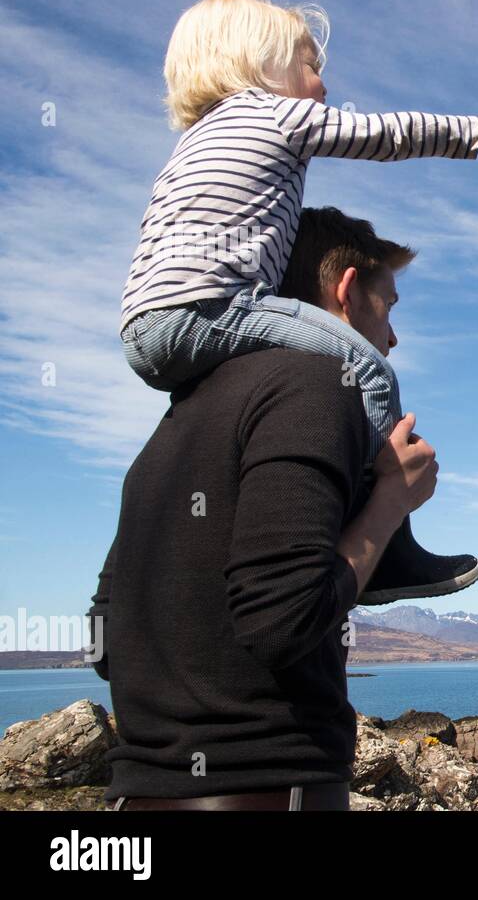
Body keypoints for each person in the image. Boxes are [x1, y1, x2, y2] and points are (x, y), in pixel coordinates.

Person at [119, 0, 478, 592]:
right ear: (260, 67)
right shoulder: (273, 112)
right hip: (209, 305)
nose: (323, 86)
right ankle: (384, 543)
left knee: (210, 415)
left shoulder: (189, 147)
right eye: (312, 66)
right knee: (365, 368)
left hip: (142, 324)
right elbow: (385, 135)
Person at [89, 207, 444, 809]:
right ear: (347, 289)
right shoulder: (317, 386)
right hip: (268, 792)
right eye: (389, 305)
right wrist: (391, 500)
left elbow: (104, 644)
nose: (392, 337)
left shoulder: (179, 415)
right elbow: (282, 621)